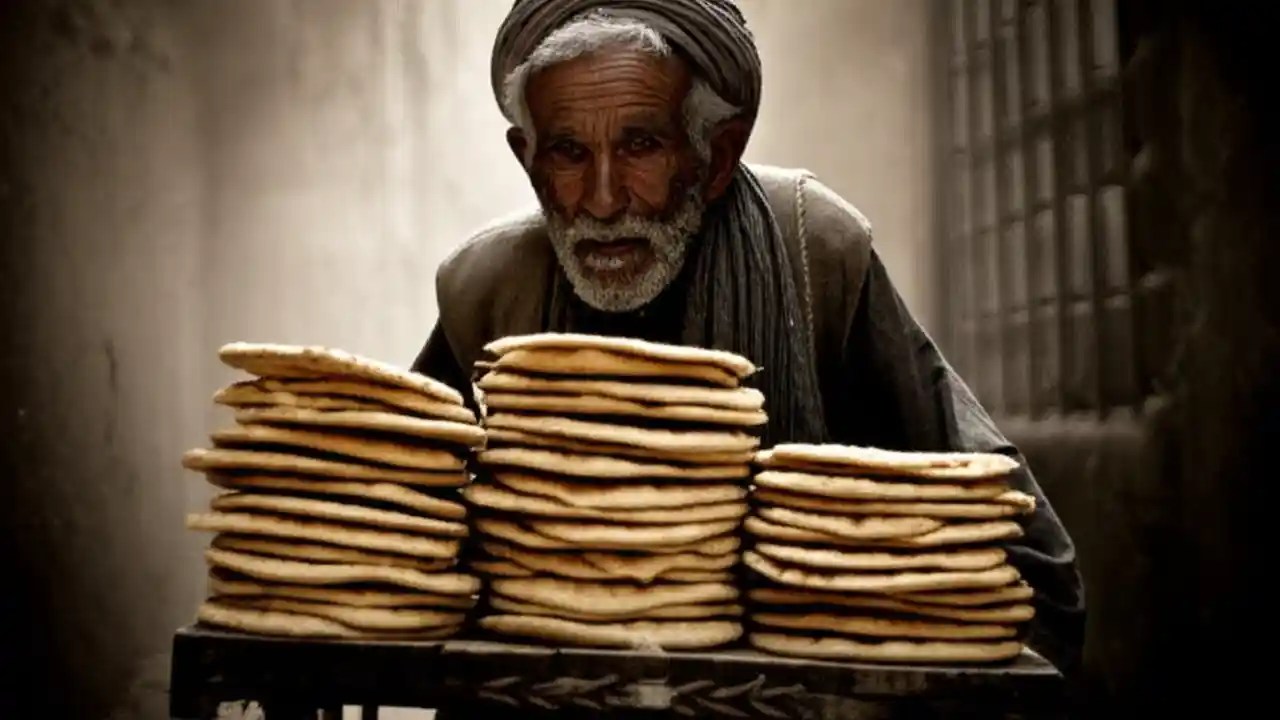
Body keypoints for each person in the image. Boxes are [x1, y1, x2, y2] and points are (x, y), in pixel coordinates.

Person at [411, 0, 1084, 670]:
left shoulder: (813, 253)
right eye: (568, 152)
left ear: (719, 155)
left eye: (641, 145)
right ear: (528, 160)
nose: (604, 199)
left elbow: (1025, 558)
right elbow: (401, 530)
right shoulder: (489, 289)